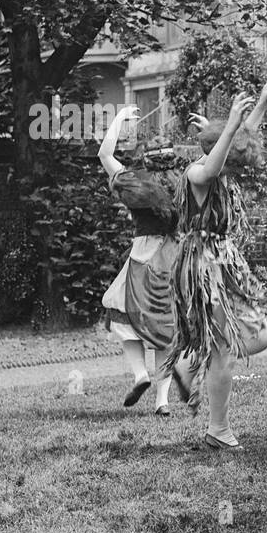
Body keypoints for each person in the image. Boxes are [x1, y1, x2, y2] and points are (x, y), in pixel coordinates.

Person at [167, 78, 267, 449]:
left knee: (258, 334)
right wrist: (228, 124)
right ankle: (218, 429)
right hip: (203, 265)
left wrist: (259, 105)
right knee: (224, 347)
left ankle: (190, 365)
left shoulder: (219, 164)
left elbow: (242, 140)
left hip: (224, 261)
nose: (237, 166)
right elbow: (213, 166)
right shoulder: (197, 174)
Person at [97, 105, 193, 414]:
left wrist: (120, 118)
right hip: (175, 259)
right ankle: (163, 402)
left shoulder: (136, 183)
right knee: (167, 327)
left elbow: (104, 155)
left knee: (120, 313)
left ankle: (140, 375)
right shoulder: (186, 182)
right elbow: (215, 164)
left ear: (146, 159)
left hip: (143, 257)